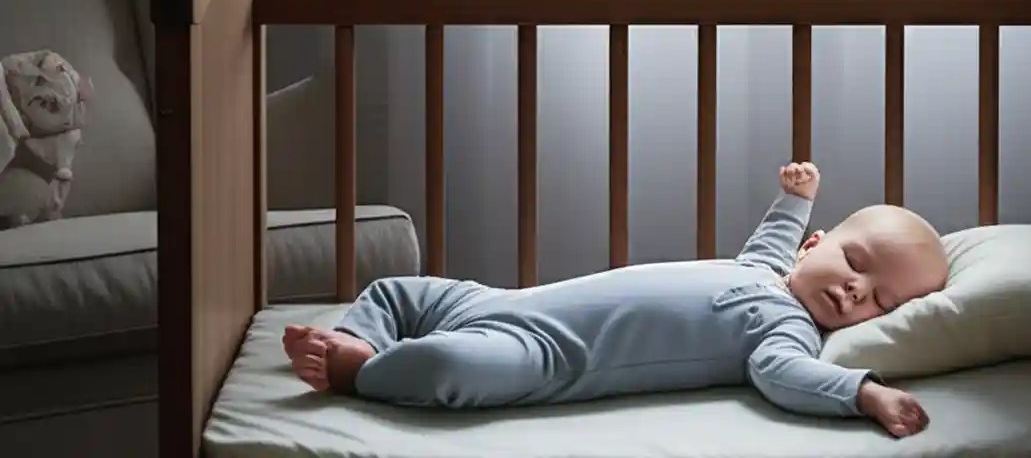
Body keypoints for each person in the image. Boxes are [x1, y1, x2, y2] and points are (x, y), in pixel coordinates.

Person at [284, 162, 949, 437]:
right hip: (514, 301)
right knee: (400, 290)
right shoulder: (767, 266)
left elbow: (786, 378)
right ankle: (368, 330)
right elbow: (776, 235)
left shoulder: (786, 335)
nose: (857, 291)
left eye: (879, 303)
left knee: (449, 369)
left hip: (544, 354)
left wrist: (865, 393)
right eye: (856, 264)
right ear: (816, 245)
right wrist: (798, 197)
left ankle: (355, 368)